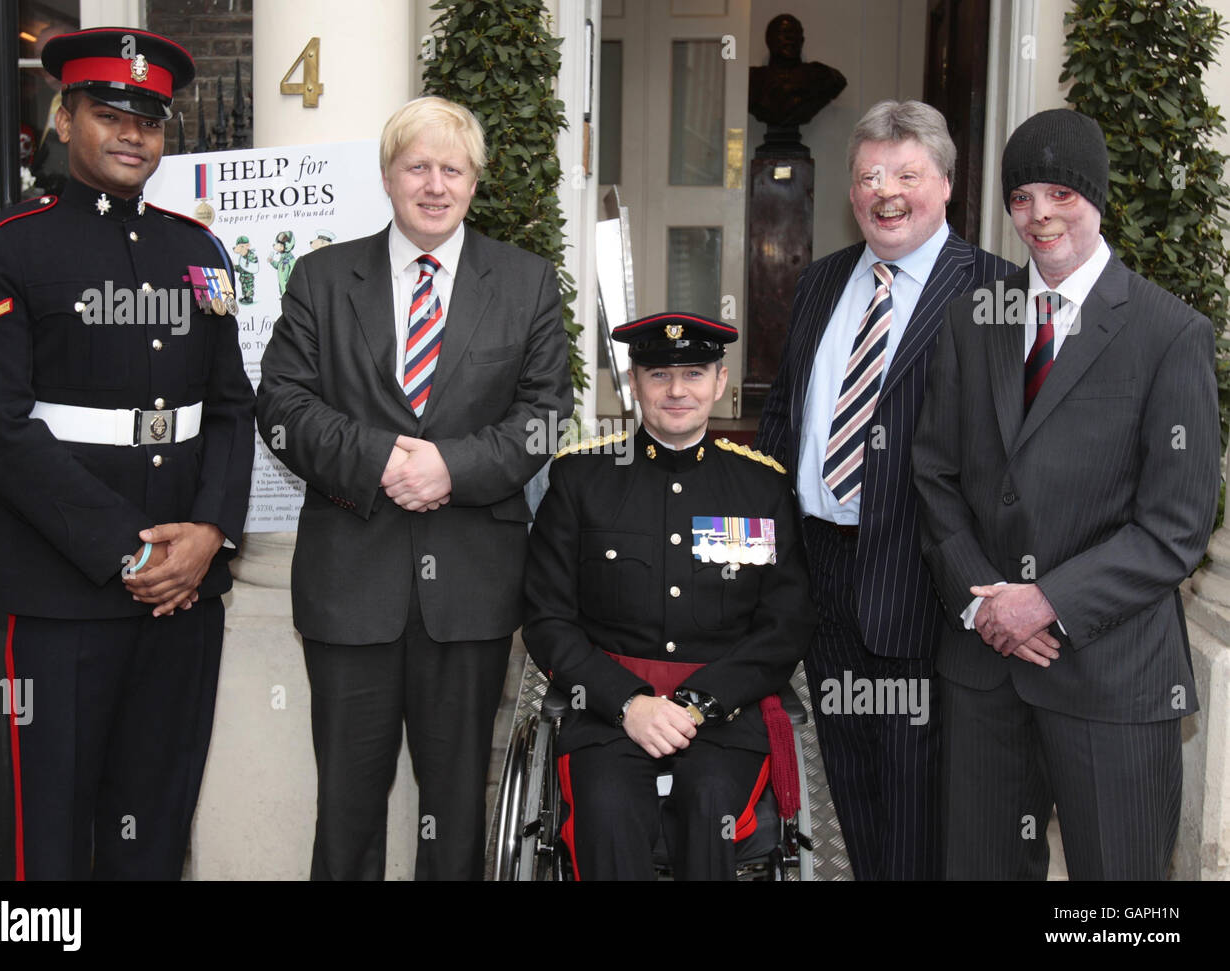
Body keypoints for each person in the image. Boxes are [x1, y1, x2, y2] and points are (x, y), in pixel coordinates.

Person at [0, 26, 255, 880]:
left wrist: (210, 535)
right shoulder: (9, 247)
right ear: (64, 117)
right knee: (50, 836)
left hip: (183, 596)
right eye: (109, 113)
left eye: (148, 120)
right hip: (62, 594)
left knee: (153, 825)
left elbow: (231, 409)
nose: (131, 134)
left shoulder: (197, 252)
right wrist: (131, 549)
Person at [256, 95, 572, 881]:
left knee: (457, 807)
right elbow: (281, 406)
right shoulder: (324, 278)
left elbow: (545, 416)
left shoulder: (527, 282)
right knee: (348, 808)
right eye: (417, 166)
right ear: (389, 176)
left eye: (452, 169)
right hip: (348, 585)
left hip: (468, 593)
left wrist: (451, 468)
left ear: (475, 181)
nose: (435, 184)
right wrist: (381, 460)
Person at [912, 108, 1218, 879]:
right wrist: (985, 604)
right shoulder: (971, 320)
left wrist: (1042, 601)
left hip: (1112, 679)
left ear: (1096, 198)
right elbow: (935, 475)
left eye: (1059, 193)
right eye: (1021, 197)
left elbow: (1176, 527)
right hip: (985, 674)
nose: (1039, 214)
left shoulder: (1168, 333)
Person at [755, 100, 1014, 880]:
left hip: (921, 579)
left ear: (945, 183)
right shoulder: (823, 281)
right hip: (821, 575)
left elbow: (1011, 461)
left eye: (907, 173)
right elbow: (783, 418)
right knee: (853, 781)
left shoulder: (994, 293)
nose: (887, 191)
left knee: (916, 798)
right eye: (869, 175)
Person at [525, 312, 814, 880]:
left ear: (720, 382)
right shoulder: (581, 479)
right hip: (608, 710)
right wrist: (628, 704)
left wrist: (703, 702)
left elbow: (786, 624)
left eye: (693, 373)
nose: (677, 390)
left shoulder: (762, 486)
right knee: (606, 808)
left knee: (709, 802)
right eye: (659, 375)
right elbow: (547, 619)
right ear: (634, 383)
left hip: (725, 713)